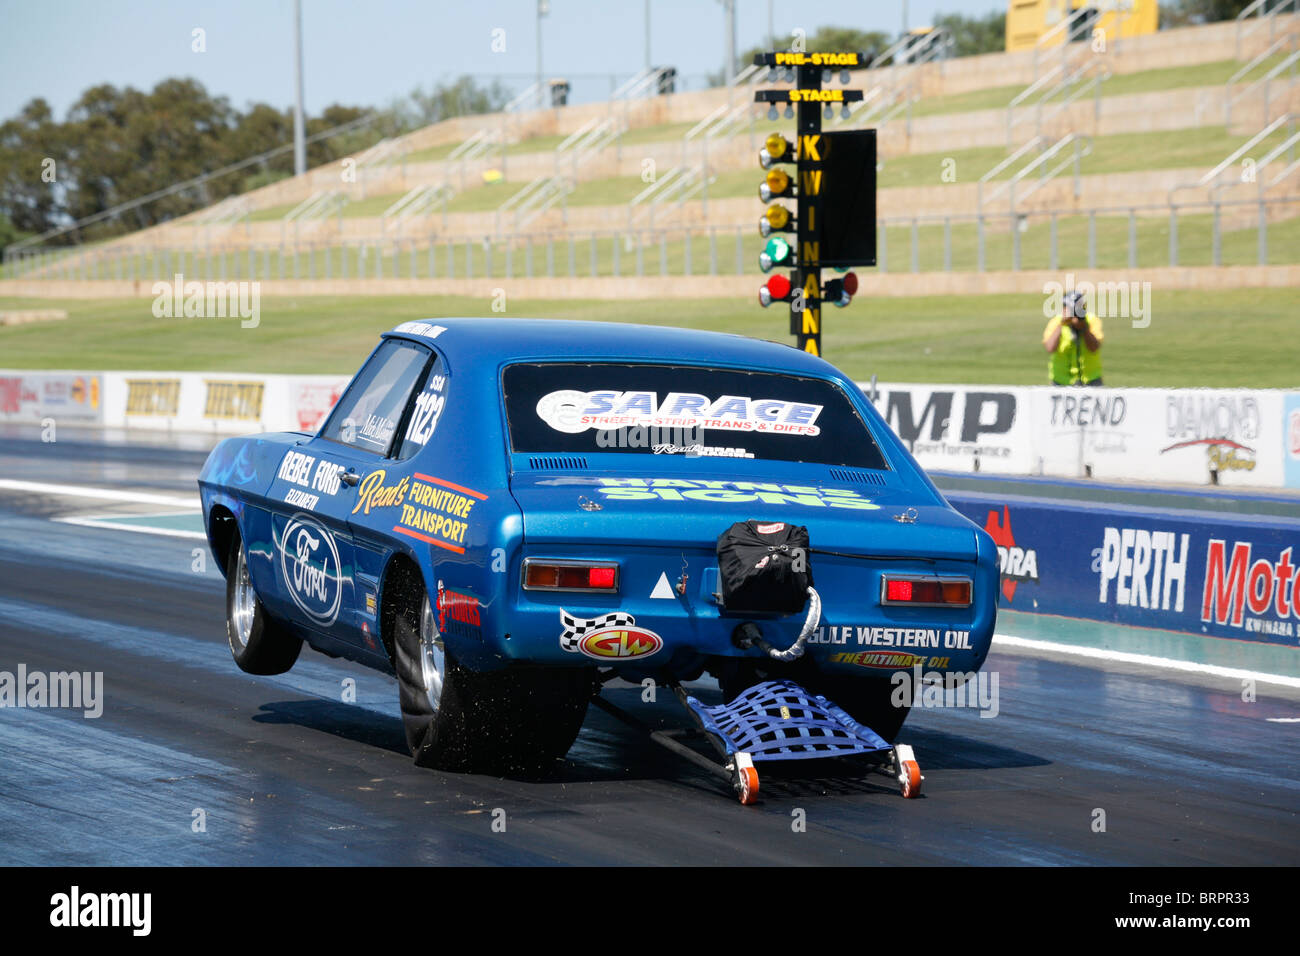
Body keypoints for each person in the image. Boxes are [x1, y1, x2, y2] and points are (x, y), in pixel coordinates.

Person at [1042, 290, 1103, 386]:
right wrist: (1062, 324)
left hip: (1090, 380)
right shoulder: (1056, 322)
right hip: (1061, 381)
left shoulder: (1092, 320)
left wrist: (1084, 328)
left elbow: (1094, 347)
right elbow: (1050, 347)